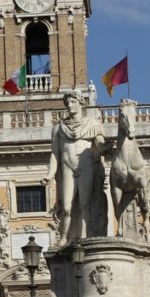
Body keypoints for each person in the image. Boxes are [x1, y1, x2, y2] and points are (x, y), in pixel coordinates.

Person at [46, 89, 107, 242]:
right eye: (67, 103)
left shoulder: (93, 124)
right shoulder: (58, 128)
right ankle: (64, 237)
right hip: (68, 167)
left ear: (81, 104)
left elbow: (99, 144)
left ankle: (84, 237)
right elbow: (55, 154)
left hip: (86, 165)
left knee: (85, 204)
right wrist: (50, 174)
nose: (69, 105)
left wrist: (106, 148)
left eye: (73, 102)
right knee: (66, 207)